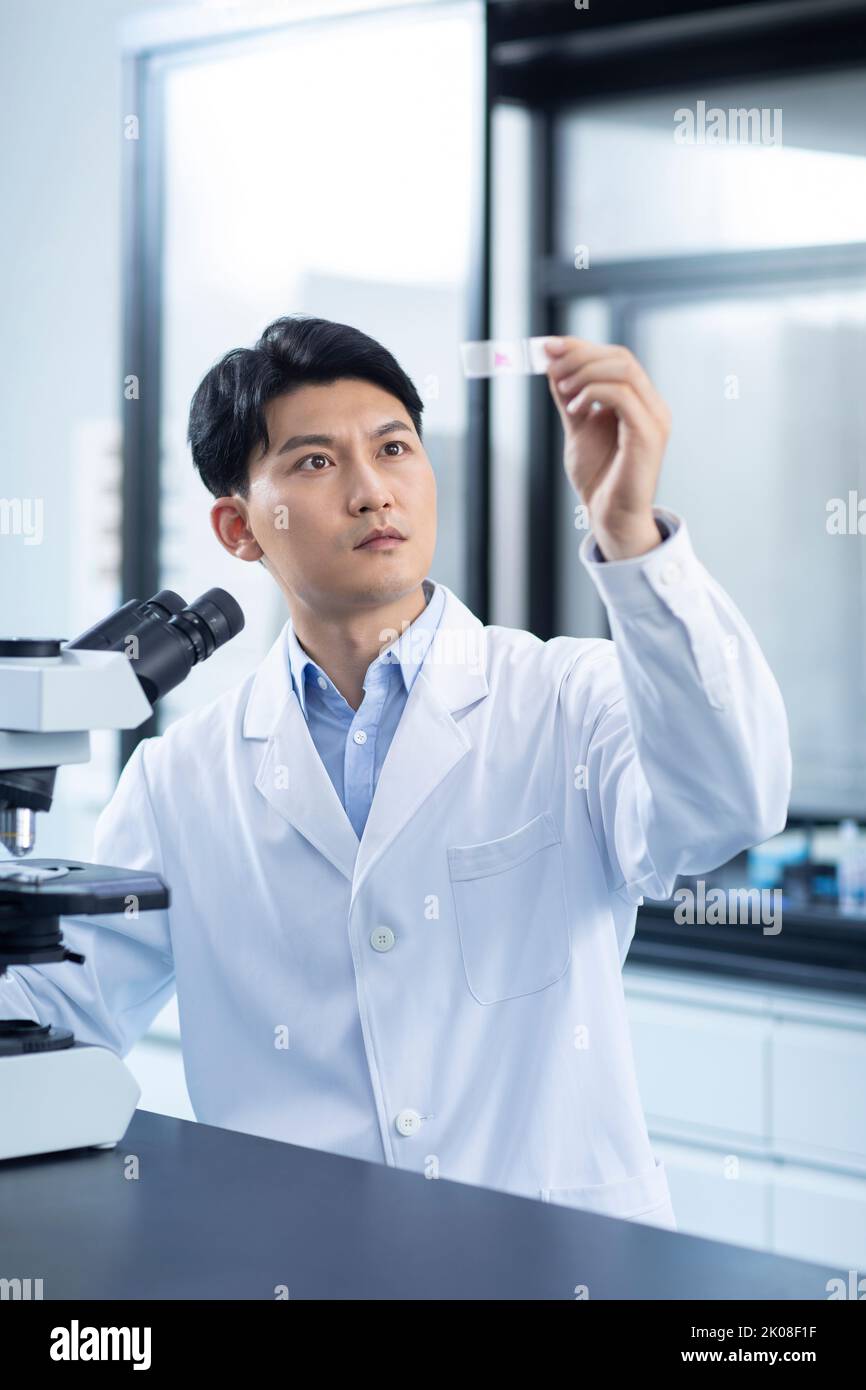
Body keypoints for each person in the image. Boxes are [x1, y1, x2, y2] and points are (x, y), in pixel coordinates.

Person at [0, 315, 791, 1230]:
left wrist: (628, 534)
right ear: (239, 528)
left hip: (551, 1262)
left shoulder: (568, 700)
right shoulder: (179, 781)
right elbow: (54, 1010)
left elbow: (731, 803)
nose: (374, 490)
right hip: (299, 1266)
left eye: (394, 447)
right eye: (315, 463)